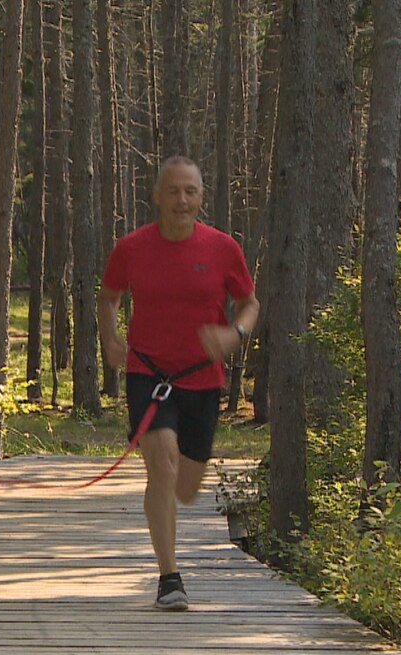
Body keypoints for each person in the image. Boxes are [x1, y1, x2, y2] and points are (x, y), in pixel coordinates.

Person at [97, 155, 260, 611]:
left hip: (200, 378)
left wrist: (234, 333)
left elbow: (250, 304)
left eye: (190, 191)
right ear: (157, 195)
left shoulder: (223, 249)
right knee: (162, 465)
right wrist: (111, 337)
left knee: (186, 485)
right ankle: (170, 578)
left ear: (201, 197)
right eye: (173, 191)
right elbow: (108, 297)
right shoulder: (131, 248)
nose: (181, 200)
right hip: (149, 372)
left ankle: (177, 514)